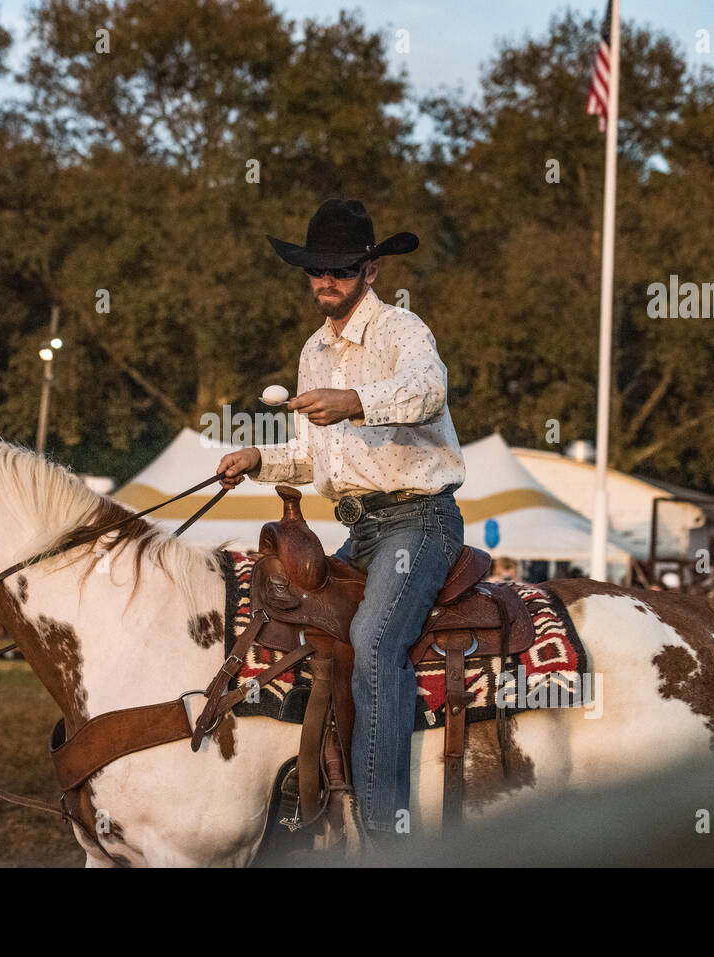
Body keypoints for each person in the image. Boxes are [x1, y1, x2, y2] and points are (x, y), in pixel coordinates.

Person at [217, 198, 466, 843]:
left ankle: (386, 837)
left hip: (419, 523)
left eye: (343, 270)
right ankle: (316, 793)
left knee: (378, 645)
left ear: (371, 272)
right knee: (292, 636)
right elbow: (310, 455)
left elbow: (428, 391)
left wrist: (354, 400)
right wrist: (257, 459)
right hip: (361, 528)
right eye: (317, 270)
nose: (326, 282)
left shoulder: (402, 331)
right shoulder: (312, 352)